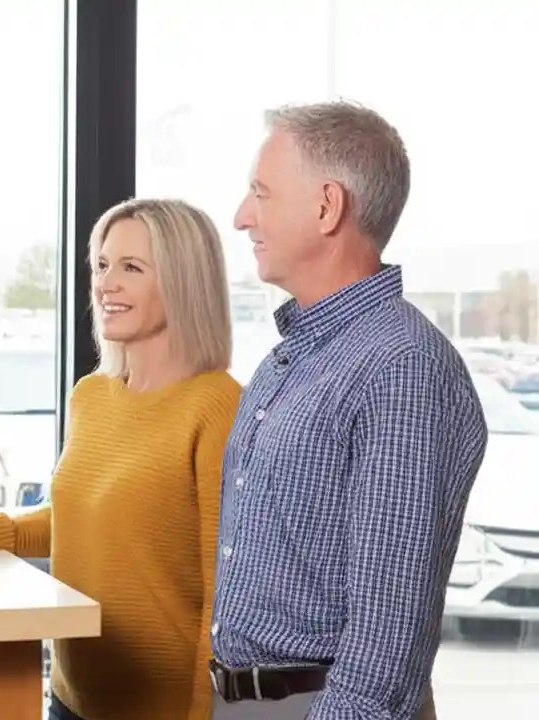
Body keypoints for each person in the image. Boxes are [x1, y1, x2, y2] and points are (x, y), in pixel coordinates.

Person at [0, 198, 241, 720]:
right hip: (71, 698)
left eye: (131, 268)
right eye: (101, 265)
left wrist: (203, 712)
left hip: (162, 710)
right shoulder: (91, 397)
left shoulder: (219, 404)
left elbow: (226, 590)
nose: (106, 284)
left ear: (185, 281)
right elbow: (82, 520)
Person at [207, 101, 487, 719]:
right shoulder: (294, 356)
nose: (241, 216)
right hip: (248, 702)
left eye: (261, 192)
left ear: (327, 206)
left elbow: (388, 637)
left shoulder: (401, 367)